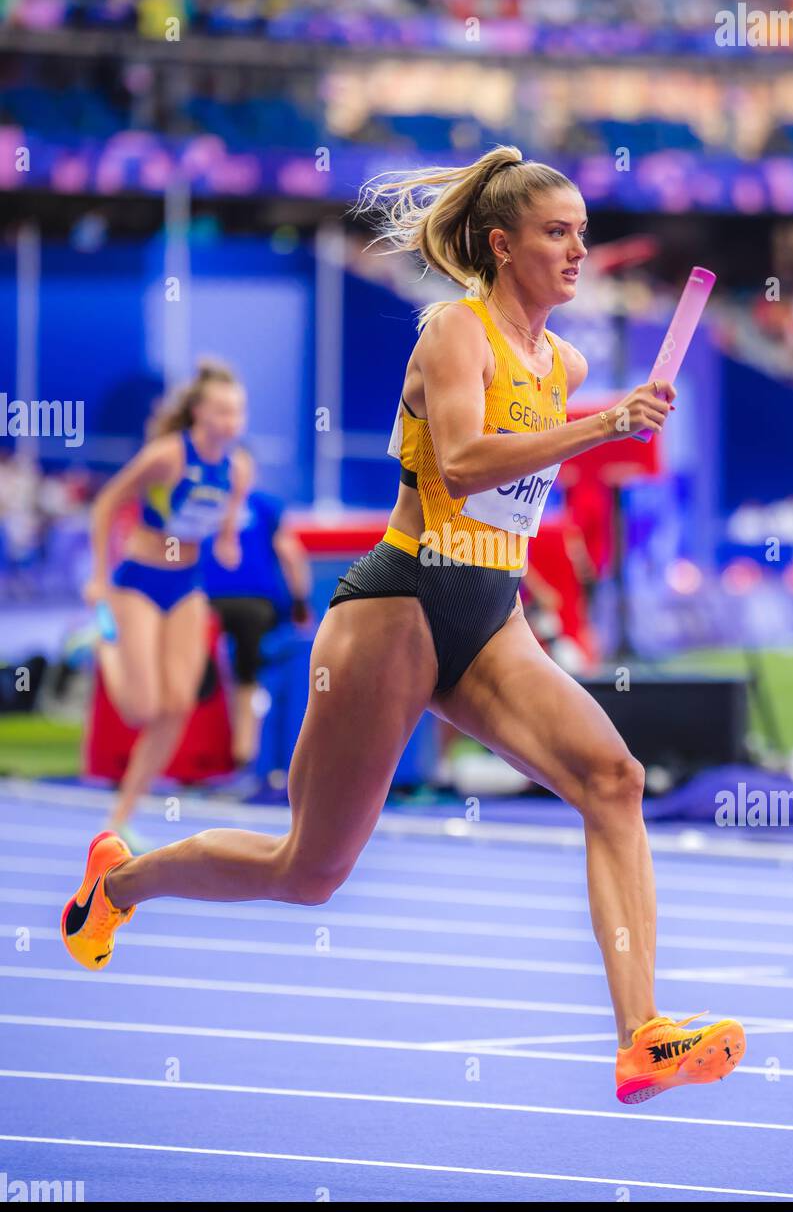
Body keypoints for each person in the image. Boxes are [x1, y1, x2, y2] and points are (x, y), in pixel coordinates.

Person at [62, 147, 744, 1105]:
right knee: (307, 872)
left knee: (613, 779)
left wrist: (598, 426)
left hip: (489, 614)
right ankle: (117, 884)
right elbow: (462, 464)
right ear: (503, 246)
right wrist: (601, 426)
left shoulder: (567, 362)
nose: (577, 250)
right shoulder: (454, 332)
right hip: (399, 606)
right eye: (558, 233)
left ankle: (641, 1037)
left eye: (584, 234)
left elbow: (519, 492)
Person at [81, 358, 252, 846]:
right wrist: (98, 576)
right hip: (137, 582)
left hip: (186, 586)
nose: (230, 423)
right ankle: (103, 641)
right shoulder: (167, 456)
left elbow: (227, 515)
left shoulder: (237, 468)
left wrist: (226, 541)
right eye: (221, 412)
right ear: (198, 412)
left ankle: (123, 815)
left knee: (177, 704)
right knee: (141, 708)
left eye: (237, 413)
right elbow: (107, 503)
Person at [202, 476, 314, 768]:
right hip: (254, 604)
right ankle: (246, 755)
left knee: (220, 677)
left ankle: (234, 754)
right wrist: (301, 602)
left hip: (207, 603)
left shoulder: (204, 499)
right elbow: (290, 554)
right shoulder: (264, 505)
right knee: (249, 677)